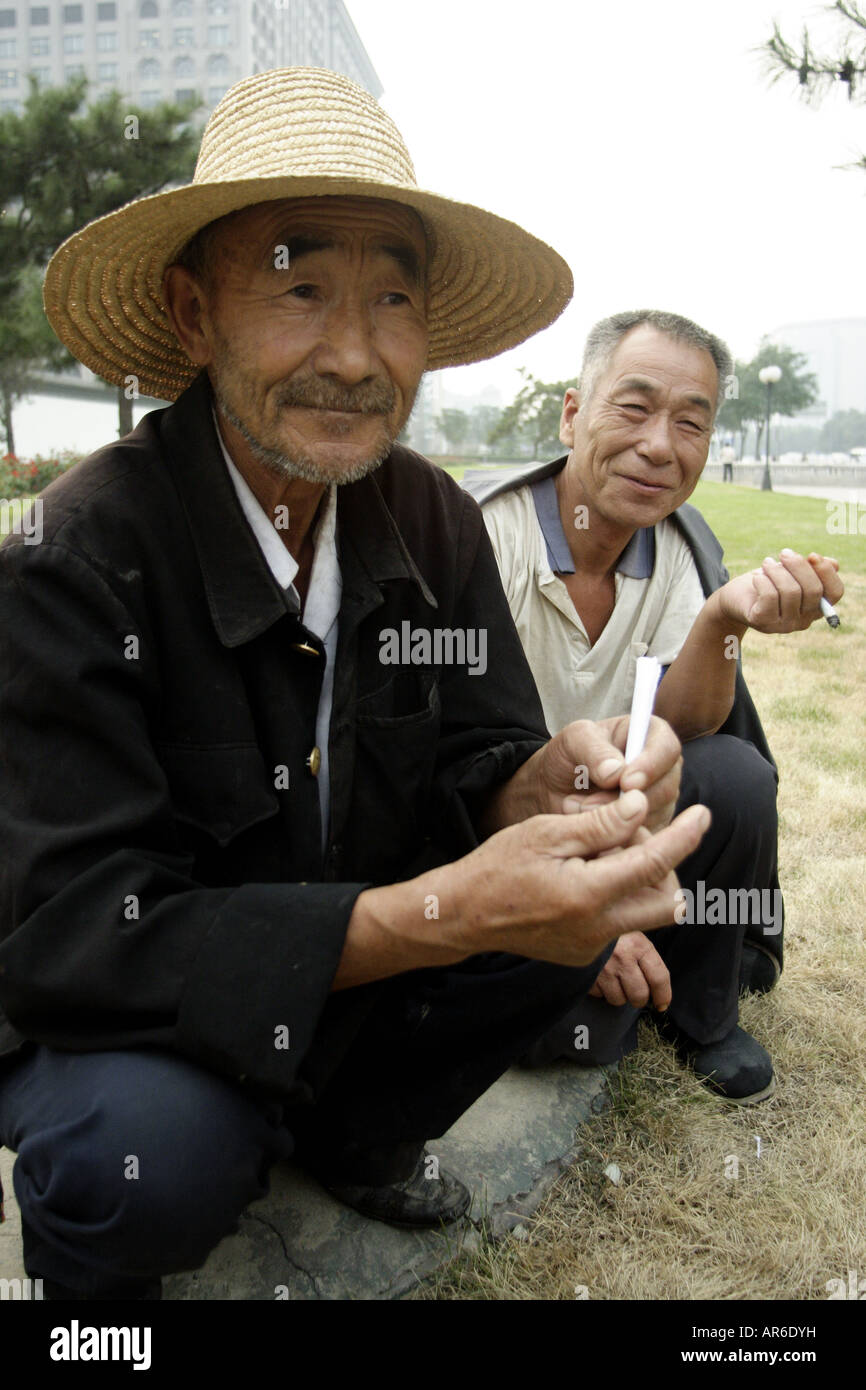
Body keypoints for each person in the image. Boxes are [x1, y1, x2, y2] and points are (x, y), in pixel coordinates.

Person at [0, 73, 709, 1301]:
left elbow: (481, 747)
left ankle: (353, 1128)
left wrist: (544, 788)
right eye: (298, 286)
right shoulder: (75, 559)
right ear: (191, 313)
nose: (352, 353)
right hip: (138, 1014)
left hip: (356, 978)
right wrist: (440, 912)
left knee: (571, 894)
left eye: (392, 297)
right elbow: (77, 928)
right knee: (146, 1158)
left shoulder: (425, 518)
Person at [464, 310, 843, 1093]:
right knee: (580, 1031)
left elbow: (680, 731)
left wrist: (721, 618)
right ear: (573, 415)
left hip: (612, 816)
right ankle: (603, 957)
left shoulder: (674, 546)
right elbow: (438, 774)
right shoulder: (484, 539)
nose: (660, 446)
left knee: (734, 775)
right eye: (632, 409)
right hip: (489, 833)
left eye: (691, 424)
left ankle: (703, 1012)